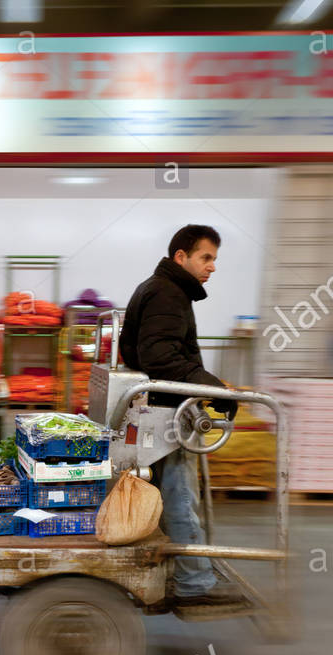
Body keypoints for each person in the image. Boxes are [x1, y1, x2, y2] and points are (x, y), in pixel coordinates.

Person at [119, 224, 239, 608]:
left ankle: (178, 575)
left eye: (215, 259)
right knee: (180, 497)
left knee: (171, 497)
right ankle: (194, 584)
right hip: (168, 413)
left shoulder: (160, 289)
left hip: (162, 407)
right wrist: (212, 388)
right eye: (206, 257)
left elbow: (158, 352)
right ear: (181, 257)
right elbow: (161, 357)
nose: (212, 267)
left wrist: (208, 384)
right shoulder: (167, 293)